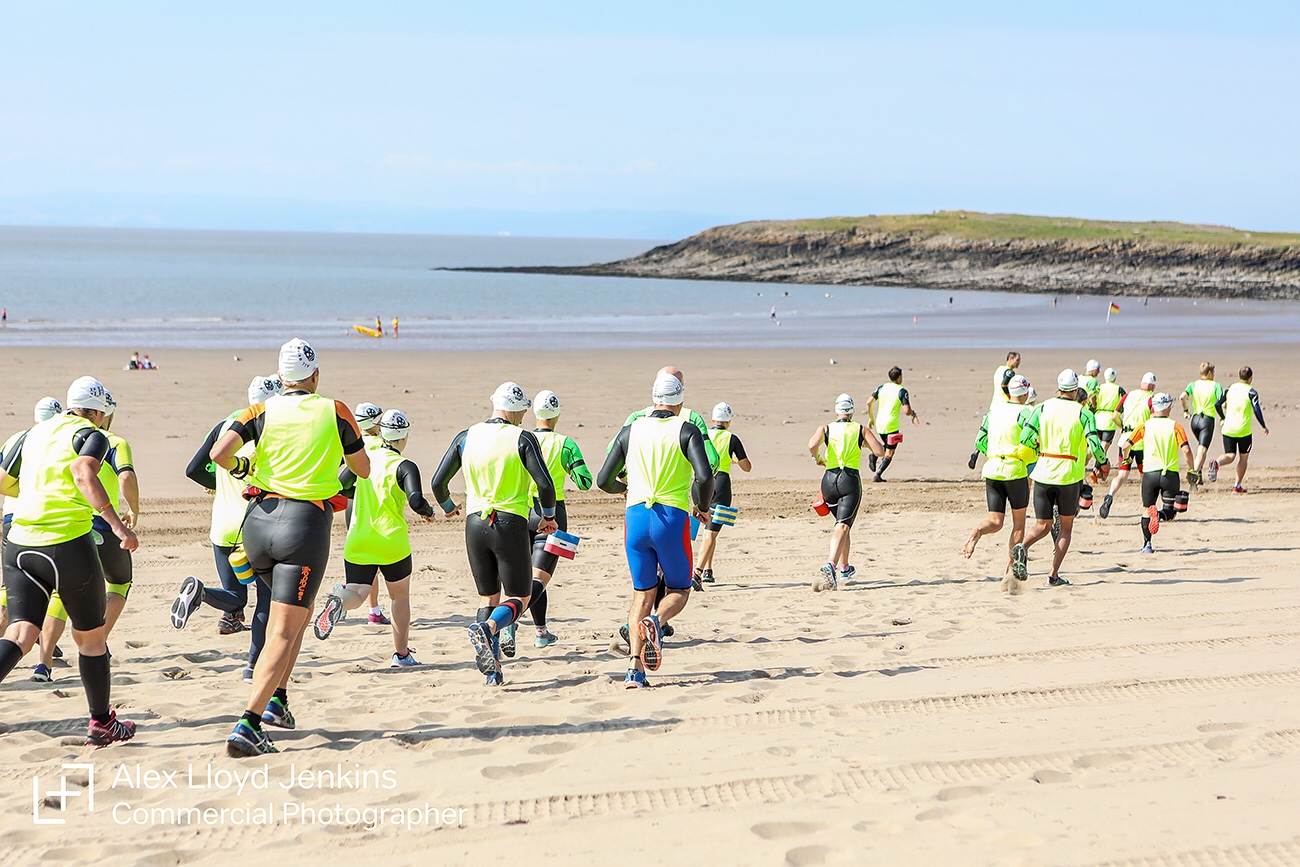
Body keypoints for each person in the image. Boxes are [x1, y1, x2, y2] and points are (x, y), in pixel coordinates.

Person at [197, 339, 369, 757]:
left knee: (296, 614)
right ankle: (248, 723)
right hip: (303, 527)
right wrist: (326, 467)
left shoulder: (259, 410)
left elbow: (219, 454)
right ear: (315, 376)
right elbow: (362, 468)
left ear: (280, 378)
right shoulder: (335, 409)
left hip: (257, 522)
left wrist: (245, 467)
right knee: (284, 628)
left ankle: (279, 701)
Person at [0, 376, 139, 746]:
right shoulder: (91, 433)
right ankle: (102, 723)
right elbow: (83, 472)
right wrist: (118, 526)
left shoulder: (36, 432)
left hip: (19, 544)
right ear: (97, 412)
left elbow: (3, 478)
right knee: (91, 638)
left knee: (20, 634)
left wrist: (36, 492)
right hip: (66, 544)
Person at [429, 382, 557, 685]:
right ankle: (487, 629)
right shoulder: (522, 438)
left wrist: (448, 506)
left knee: (488, 596)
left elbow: (437, 482)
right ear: (518, 409)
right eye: (524, 409)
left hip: (474, 524)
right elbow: (545, 485)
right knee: (519, 597)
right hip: (508, 523)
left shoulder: (466, 436)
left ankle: (493, 671)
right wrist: (549, 518)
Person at [597, 373, 712, 688]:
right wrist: (702, 506)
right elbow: (704, 477)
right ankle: (657, 624)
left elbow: (603, 480)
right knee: (679, 589)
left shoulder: (630, 430)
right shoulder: (686, 430)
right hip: (671, 519)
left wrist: (625, 489)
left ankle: (634, 670)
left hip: (635, 519)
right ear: (681, 401)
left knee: (641, 595)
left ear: (653, 399)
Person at [176, 376, 283, 684]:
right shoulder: (271, 428)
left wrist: (220, 486)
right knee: (266, 595)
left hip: (222, 526)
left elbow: (193, 468)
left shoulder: (227, 424)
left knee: (235, 598)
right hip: (256, 526)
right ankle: (252, 665)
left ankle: (201, 593)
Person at [32, 391, 139, 682]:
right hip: (103, 523)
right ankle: (97, 646)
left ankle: (44, 663)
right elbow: (126, 477)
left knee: (61, 592)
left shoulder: (58, 440)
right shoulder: (114, 441)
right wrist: (134, 510)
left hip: (68, 525)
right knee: (119, 583)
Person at [314, 410, 435, 665]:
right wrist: (429, 512)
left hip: (359, 538)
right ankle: (401, 655)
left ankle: (339, 602)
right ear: (404, 437)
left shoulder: (365, 459)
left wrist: (358, 496)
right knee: (399, 597)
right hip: (392, 542)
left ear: (381, 432)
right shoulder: (405, 466)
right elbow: (415, 500)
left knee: (357, 593)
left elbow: (341, 485)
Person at [1013, 370, 1109, 587]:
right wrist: (1103, 463)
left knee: (1042, 525)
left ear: (1058, 388)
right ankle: (1053, 575)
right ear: (1076, 390)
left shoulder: (1042, 407)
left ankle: (1023, 547)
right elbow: (1095, 444)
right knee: (1065, 527)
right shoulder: (1084, 413)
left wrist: (1041, 448)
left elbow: (1025, 436)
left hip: (1043, 472)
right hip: (1069, 475)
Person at [525, 390, 592, 648]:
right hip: (553, 513)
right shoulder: (566, 444)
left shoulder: (523, 439)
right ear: (558, 414)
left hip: (522, 512)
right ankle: (509, 623)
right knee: (539, 578)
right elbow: (585, 481)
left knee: (523, 577)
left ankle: (541, 632)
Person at [964, 375, 1036, 591]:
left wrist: (996, 454)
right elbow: (1032, 440)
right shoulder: (1026, 412)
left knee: (995, 522)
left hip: (992, 469)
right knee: (1019, 525)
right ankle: (1009, 573)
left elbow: (980, 441)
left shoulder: (993, 412)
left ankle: (977, 532)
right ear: (1024, 393)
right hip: (1015, 471)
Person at [0, 397, 65, 636]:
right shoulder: (52, 439)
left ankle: (31, 633)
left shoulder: (15, 438)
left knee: (12, 589)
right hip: (37, 518)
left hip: (11, 518)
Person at [807, 394, 885, 589]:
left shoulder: (825, 428)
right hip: (848, 480)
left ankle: (845, 567)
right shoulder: (860, 429)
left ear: (836, 411)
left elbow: (811, 445)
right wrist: (864, 442)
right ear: (851, 411)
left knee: (843, 525)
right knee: (842, 526)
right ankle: (830, 565)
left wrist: (817, 457)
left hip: (828, 481)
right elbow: (880, 451)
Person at [1118, 393, 1193, 554]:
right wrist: (1192, 469)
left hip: (1149, 474)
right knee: (1171, 512)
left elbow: (1125, 446)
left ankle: (1147, 544)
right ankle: (1158, 516)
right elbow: (1186, 450)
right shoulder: (1176, 426)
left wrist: (1125, 460)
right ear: (1167, 407)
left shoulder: (1145, 426)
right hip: (1169, 475)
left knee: (1146, 509)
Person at [693, 402, 752, 586]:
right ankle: (697, 573)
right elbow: (747, 467)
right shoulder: (731, 438)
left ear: (713, 419)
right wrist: (734, 459)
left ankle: (708, 570)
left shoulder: (702, 436)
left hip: (698, 484)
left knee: (703, 530)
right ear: (728, 421)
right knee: (711, 532)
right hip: (721, 486)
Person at [350, 403, 391, 625]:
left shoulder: (351, 443)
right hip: (372, 504)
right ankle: (372, 609)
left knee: (361, 558)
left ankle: (364, 603)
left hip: (352, 504)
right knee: (376, 562)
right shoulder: (380, 445)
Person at [1099, 372, 1156, 520]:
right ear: (1152, 386)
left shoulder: (1128, 395)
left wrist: (1122, 426)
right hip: (1141, 444)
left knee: (1122, 474)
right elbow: (1153, 419)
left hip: (1125, 442)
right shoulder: (1151, 399)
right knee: (1145, 475)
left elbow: (1114, 416)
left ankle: (1110, 495)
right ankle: (1147, 506)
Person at [1213, 366, 1269, 493]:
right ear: (1251, 378)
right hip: (1244, 430)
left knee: (1229, 455)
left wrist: (1223, 417)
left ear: (1239, 377)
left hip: (1228, 428)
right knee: (1243, 458)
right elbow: (1256, 409)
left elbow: (1217, 404)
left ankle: (1217, 463)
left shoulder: (1229, 389)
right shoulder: (1252, 392)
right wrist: (1263, 425)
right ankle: (1237, 486)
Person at [865, 366, 920, 482]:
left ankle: (874, 456)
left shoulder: (881, 388)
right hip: (891, 425)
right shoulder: (902, 391)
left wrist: (871, 418)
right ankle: (877, 475)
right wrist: (913, 413)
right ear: (899, 377)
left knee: (887, 445)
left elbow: (868, 403)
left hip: (880, 424)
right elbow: (906, 411)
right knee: (890, 451)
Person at [1180, 363, 1223, 486]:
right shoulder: (1216, 385)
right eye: (1213, 373)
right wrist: (1223, 417)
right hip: (1207, 420)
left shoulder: (1193, 384)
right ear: (1209, 373)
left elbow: (1182, 397)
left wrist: (1186, 410)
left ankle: (1198, 475)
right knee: (1201, 451)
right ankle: (1193, 477)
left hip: (1195, 420)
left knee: (1202, 449)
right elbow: (1221, 402)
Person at [1094, 368, 1126, 460]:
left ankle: (1086, 464)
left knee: (1096, 445)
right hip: (1109, 420)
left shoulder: (1099, 387)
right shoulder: (1118, 388)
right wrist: (1120, 410)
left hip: (1098, 418)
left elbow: (1090, 395)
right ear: (1114, 377)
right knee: (1104, 445)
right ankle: (1096, 467)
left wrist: (1094, 404)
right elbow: (1125, 399)